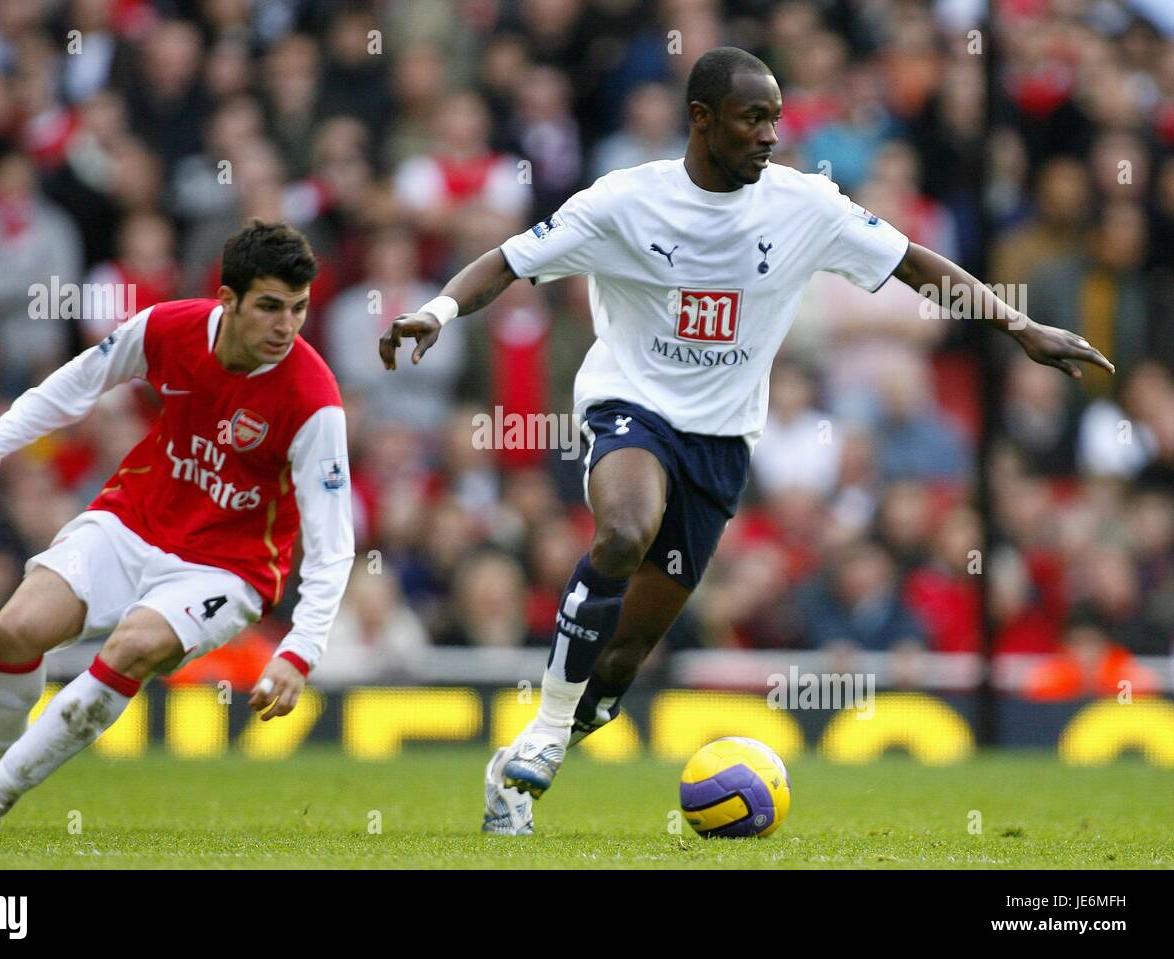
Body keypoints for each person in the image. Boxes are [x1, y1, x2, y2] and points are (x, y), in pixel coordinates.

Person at [380, 47, 1114, 836]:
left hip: (722, 441)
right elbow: (506, 261)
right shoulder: (626, 203)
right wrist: (439, 312)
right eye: (753, 117)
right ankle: (549, 730)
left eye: (775, 117)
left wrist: (1020, 324)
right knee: (624, 531)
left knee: (625, 659)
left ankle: (524, 759)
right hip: (630, 407)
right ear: (701, 120)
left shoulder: (804, 205)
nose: (770, 134)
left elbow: (913, 264)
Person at [0, 221, 355, 830]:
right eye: (271, 307)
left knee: (133, 646)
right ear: (228, 300)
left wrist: (299, 651)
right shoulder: (167, 328)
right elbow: (72, 388)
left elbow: (333, 545)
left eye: (299, 309)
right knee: (14, 632)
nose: (287, 327)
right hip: (132, 520)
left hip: (227, 566)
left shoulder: (313, 401)